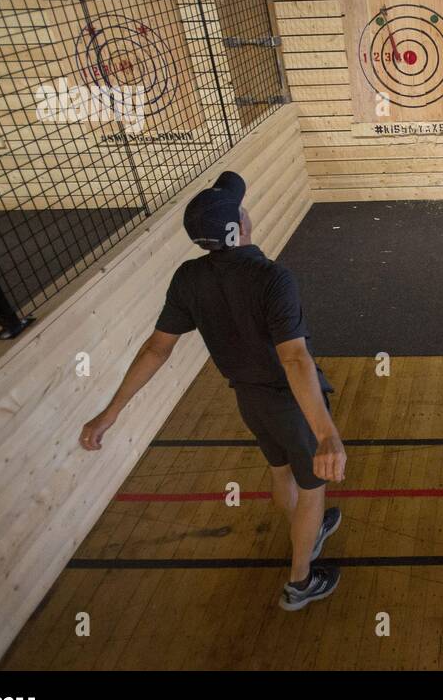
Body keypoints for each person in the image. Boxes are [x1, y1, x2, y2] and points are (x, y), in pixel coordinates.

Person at [78, 171, 347, 611]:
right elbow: (295, 360)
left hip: (249, 402)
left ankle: (306, 529)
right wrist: (326, 433)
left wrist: (110, 413)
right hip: (291, 405)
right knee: (313, 489)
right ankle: (300, 581)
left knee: (282, 474)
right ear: (239, 227)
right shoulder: (272, 278)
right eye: (241, 208)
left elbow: (155, 349)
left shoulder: (188, 278)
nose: (246, 211)